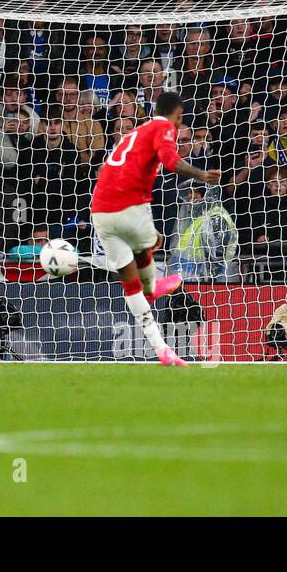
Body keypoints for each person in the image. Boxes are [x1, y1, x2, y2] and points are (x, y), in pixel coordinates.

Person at [89, 91, 220, 367]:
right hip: (126, 206)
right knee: (151, 243)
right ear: (179, 114)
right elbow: (172, 162)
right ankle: (152, 285)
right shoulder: (163, 126)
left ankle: (161, 349)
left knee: (130, 284)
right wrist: (201, 174)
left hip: (100, 209)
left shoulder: (136, 133)